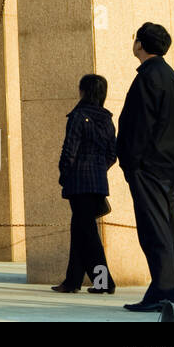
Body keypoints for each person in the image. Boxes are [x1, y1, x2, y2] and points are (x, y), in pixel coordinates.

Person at [117, 22, 174, 312]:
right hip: (170, 164)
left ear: (141, 45)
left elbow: (139, 125)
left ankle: (161, 293)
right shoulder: (173, 78)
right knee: (171, 231)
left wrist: (131, 162)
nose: (133, 43)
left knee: (154, 231)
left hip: (149, 166)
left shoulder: (148, 77)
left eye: (135, 39)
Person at [52, 74, 117, 293]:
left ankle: (103, 282)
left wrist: (65, 173)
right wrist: (98, 169)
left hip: (79, 182)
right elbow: (112, 155)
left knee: (87, 232)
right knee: (80, 229)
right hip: (97, 182)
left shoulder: (79, 116)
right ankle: (72, 281)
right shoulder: (107, 119)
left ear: (83, 91)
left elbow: (69, 150)